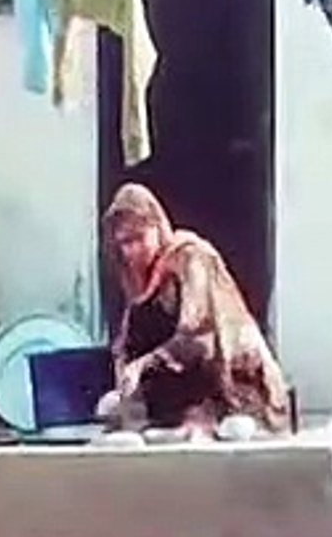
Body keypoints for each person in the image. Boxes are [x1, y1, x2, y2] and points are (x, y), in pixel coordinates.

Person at [96, 183, 293, 437]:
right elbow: (129, 343)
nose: (132, 250)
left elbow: (199, 335)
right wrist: (124, 377)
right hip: (183, 397)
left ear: (157, 228)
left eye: (139, 237)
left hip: (235, 389)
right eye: (124, 242)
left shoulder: (191, 259)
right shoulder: (140, 284)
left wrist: (143, 365)